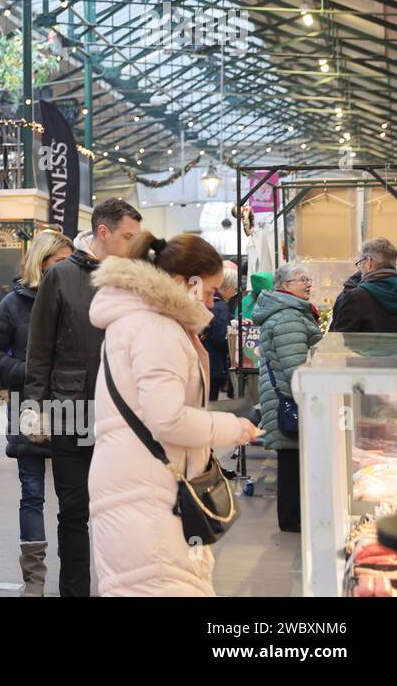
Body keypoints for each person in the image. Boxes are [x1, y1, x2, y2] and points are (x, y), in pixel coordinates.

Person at [88, 234, 262, 596]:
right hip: (149, 501)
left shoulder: (143, 322)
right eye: (212, 291)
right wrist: (233, 427)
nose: (213, 302)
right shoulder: (156, 329)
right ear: (185, 283)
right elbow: (166, 418)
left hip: (142, 488)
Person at [22, 196, 142, 597]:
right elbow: (39, 351)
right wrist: (33, 412)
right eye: (128, 236)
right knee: (73, 513)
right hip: (69, 411)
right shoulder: (61, 278)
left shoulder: (134, 276)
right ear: (103, 233)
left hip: (121, 414)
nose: (134, 244)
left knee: (120, 512)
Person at [0, 228, 73, 596]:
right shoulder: (14, 304)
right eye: (59, 263)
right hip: (29, 410)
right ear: (41, 262)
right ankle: (34, 580)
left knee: (73, 498)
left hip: (75, 410)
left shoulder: (81, 299)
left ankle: (72, 576)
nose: (67, 270)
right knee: (32, 494)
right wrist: (28, 374)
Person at [254, 262, 324, 533]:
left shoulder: (289, 312)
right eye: (302, 279)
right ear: (285, 286)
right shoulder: (288, 318)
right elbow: (296, 368)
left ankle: (294, 517)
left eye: (308, 279)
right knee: (292, 461)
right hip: (290, 399)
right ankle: (293, 520)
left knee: (292, 460)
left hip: (283, 397)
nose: (308, 284)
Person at [331, 238, 397, 333]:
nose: (360, 267)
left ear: (369, 262)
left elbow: (341, 339)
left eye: (361, 262)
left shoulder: (357, 296)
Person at [200, 266, 236, 400]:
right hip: (213, 364)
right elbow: (221, 338)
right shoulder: (221, 306)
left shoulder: (205, 303)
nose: (235, 292)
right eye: (235, 288)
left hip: (203, 362)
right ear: (227, 287)